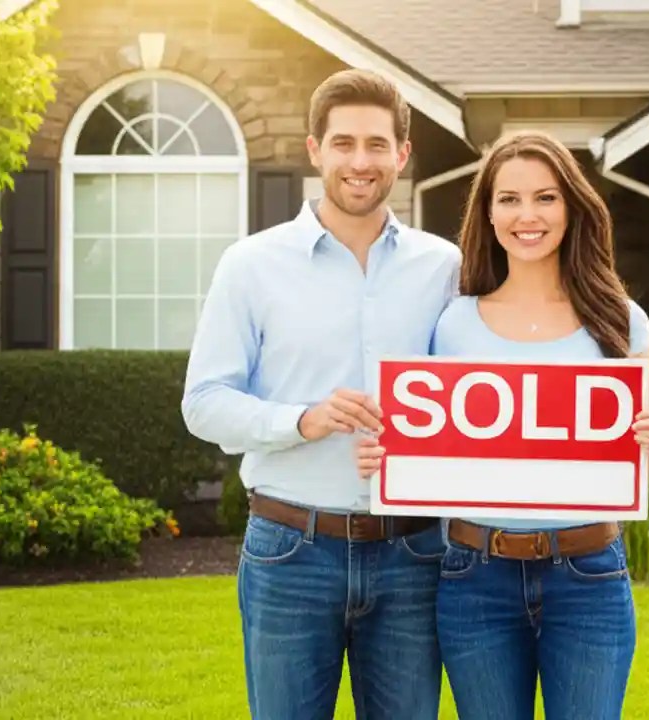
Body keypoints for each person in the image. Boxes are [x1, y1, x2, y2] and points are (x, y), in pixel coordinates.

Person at [357, 130, 649, 720]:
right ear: (489, 213)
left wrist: (648, 443)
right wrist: (387, 456)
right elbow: (432, 443)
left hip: (589, 576)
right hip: (476, 576)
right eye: (509, 199)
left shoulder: (621, 322)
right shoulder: (452, 325)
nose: (527, 215)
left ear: (573, 207)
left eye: (546, 198)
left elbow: (621, 457)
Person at [181, 69, 458, 720]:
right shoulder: (251, 265)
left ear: (402, 155)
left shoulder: (446, 269)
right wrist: (301, 420)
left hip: (415, 553)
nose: (359, 162)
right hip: (291, 549)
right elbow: (203, 401)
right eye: (343, 144)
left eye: (376, 145)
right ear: (315, 150)